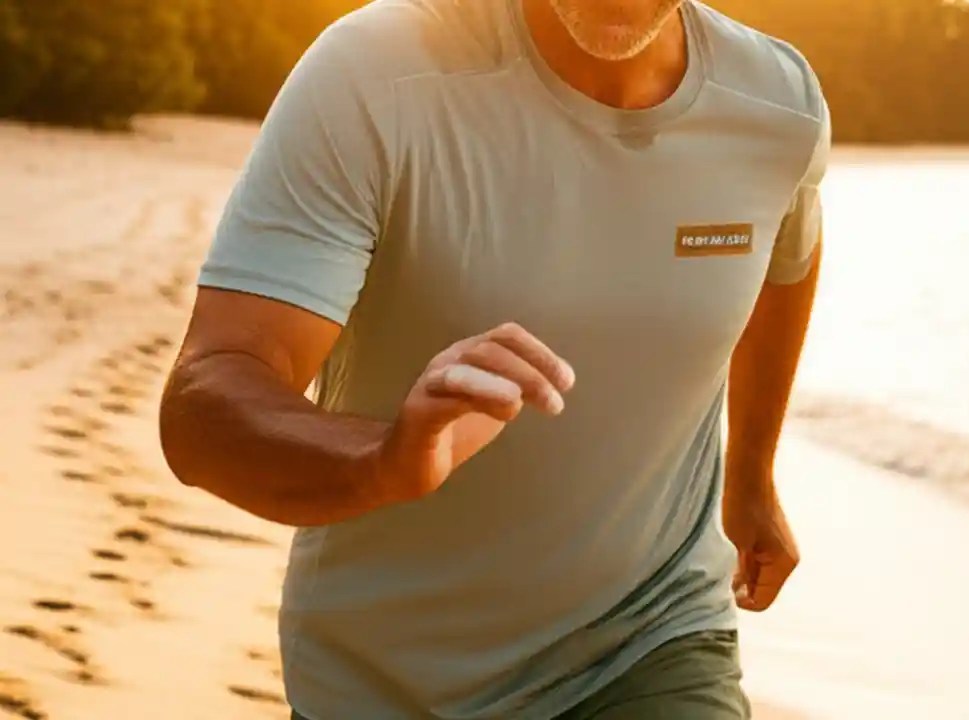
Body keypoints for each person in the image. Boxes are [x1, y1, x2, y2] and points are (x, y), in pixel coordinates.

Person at [158, 0, 829, 716]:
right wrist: (379, 458)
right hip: (389, 675)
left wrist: (752, 473)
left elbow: (788, 256)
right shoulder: (375, 75)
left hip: (652, 638)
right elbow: (205, 400)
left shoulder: (777, 104)